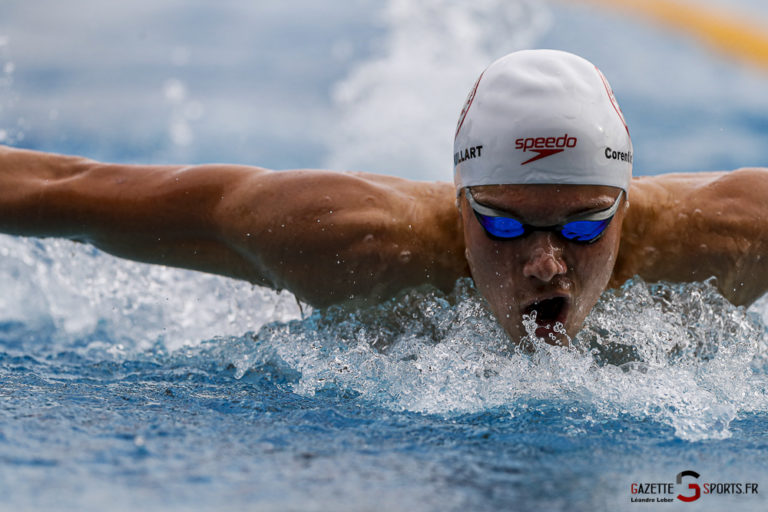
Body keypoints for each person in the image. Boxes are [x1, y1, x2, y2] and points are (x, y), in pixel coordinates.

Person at [1, 49, 767, 347]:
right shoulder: (351, 239)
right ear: (459, 207)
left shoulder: (725, 238)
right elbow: (75, 190)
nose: (544, 264)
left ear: (626, 206)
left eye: (583, 226)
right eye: (502, 224)